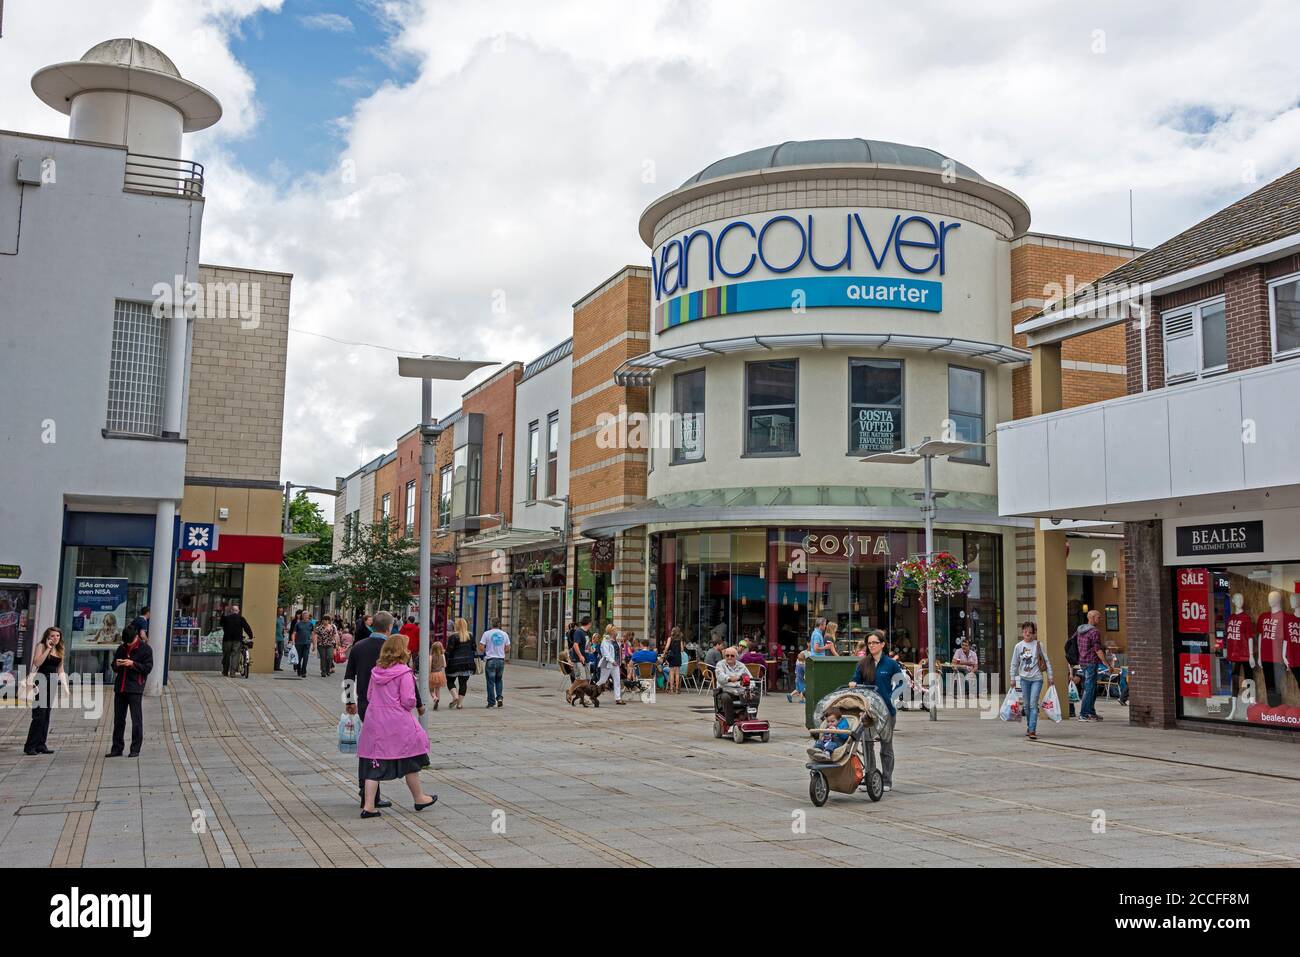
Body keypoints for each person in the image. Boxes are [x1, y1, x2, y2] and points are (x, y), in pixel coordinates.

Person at [344, 611, 424, 809]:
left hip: (366, 705)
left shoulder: (358, 647)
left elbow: (348, 676)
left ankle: (368, 792)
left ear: (372, 626)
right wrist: (420, 704)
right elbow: (409, 684)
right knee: (395, 747)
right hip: (392, 709)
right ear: (389, 628)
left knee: (370, 748)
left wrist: (348, 701)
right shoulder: (392, 650)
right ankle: (382, 794)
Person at [356, 633, 436, 819]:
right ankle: (419, 797)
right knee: (410, 759)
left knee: (373, 763)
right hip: (398, 722)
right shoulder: (404, 672)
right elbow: (408, 700)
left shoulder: (376, 672)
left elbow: (368, 696)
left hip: (375, 720)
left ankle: (369, 806)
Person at [848, 629, 903, 792]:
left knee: (886, 746)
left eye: (875, 643)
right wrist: (853, 683)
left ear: (883, 645)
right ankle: (871, 777)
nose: (871, 646)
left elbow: (901, 683)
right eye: (869, 643)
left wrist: (893, 697)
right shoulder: (863, 663)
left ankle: (886, 780)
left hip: (887, 711)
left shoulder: (891, 664)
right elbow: (855, 680)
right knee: (867, 744)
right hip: (868, 711)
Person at [106, 618, 153, 758]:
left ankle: (135, 748)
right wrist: (117, 664)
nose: (128, 644)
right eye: (126, 642)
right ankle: (117, 748)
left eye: (130, 642)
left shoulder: (145, 649)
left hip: (135, 688)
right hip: (120, 688)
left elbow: (148, 668)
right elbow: (113, 666)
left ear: (137, 636)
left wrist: (132, 664)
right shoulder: (121, 648)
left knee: (136, 719)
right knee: (118, 720)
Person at [24, 626, 67, 755]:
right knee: (39, 714)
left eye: (58, 636)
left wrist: (65, 685)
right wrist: (48, 648)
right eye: (53, 636)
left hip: (52, 682)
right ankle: (30, 746)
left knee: (47, 713)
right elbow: (37, 663)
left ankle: (41, 744)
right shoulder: (41, 646)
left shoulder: (60, 649)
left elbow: (60, 669)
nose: (56, 638)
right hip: (41, 681)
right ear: (47, 637)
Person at [1010, 621, 1053, 742]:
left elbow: (1047, 661)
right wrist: (1012, 678)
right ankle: (1029, 726)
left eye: (1030, 631)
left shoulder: (1038, 645)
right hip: (1024, 679)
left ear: (1034, 633)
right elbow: (1014, 664)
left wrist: (1050, 677)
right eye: (1025, 631)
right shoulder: (1018, 646)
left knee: (1033, 704)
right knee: (1027, 705)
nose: (1027, 633)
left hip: (1037, 679)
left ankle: (1033, 730)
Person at [1074, 609, 1109, 722]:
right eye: (1098, 617)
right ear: (1092, 618)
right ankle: (1084, 714)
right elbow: (1098, 650)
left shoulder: (1080, 630)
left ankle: (1091, 712)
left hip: (1083, 661)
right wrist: (1107, 664)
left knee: (1091, 688)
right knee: (1089, 689)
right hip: (1091, 663)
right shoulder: (1094, 632)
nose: (1100, 619)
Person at [444, 617, 476, 709]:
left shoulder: (453, 637)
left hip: (454, 664)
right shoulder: (470, 635)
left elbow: (448, 650)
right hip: (467, 663)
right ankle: (459, 704)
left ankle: (455, 696)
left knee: (450, 681)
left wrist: (445, 660)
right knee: (463, 683)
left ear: (456, 626)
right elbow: (474, 648)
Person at [714, 647, 749, 726]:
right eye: (727, 655)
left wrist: (751, 686)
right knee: (726, 698)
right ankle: (730, 723)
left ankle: (746, 717)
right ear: (724, 656)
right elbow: (720, 677)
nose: (729, 657)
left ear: (736, 657)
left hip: (740, 690)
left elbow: (750, 677)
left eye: (732, 656)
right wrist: (729, 679)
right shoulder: (720, 664)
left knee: (753, 696)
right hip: (725, 690)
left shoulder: (742, 666)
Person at [479, 619, 510, 708]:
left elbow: (481, 647)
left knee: (490, 681)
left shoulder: (486, 634)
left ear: (491, 624)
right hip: (500, 660)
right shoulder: (504, 634)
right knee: (499, 680)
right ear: (499, 625)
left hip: (491, 660)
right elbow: (508, 648)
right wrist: (501, 651)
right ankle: (499, 697)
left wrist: (488, 651)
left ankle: (491, 702)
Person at [220, 603, 254, 677]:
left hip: (227, 640)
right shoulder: (241, 618)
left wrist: (223, 615)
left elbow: (221, 623)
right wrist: (251, 636)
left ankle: (225, 672)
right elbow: (247, 628)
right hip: (237, 640)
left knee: (226, 655)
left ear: (231, 611)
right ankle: (232, 673)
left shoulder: (227, 618)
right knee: (235, 656)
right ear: (238, 611)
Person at [598, 625, 625, 705]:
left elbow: (618, 651)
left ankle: (618, 698)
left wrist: (620, 660)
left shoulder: (616, 640)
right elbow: (606, 653)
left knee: (617, 681)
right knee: (602, 681)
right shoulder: (605, 640)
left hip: (616, 663)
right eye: (615, 630)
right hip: (608, 663)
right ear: (611, 631)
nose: (617, 631)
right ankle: (592, 693)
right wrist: (612, 661)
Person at [662, 625, 685, 694]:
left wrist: (664, 652)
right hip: (678, 657)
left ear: (673, 632)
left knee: (671, 673)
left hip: (672, 657)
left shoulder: (670, 638)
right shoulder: (680, 639)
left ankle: (671, 689)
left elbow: (667, 647)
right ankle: (677, 689)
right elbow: (682, 649)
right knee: (677, 673)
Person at [427, 634, 447, 710]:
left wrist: (428, 674)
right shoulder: (442, 655)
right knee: (438, 689)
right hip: (440, 674)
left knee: (431, 689)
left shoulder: (431, 656)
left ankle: (435, 698)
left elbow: (429, 665)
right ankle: (437, 700)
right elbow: (444, 665)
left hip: (433, 673)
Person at [291, 611, 313, 678]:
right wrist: (293, 641)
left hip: (307, 643)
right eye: (305, 616)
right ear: (302, 616)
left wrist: (314, 644)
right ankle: (299, 670)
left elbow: (313, 634)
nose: (306, 617)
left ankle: (304, 672)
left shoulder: (310, 624)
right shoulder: (298, 624)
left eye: (307, 616)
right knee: (299, 658)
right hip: (299, 643)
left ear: (308, 617)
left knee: (305, 658)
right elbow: (294, 633)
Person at [570, 616, 591, 681]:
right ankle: (572, 691)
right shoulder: (578, 632)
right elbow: (575, 645)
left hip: (586, 658)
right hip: (578, 659)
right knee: (581, 678)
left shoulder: (587, 632)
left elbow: (586, 644)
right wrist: (580, 656)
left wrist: (590, 648)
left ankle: (583, 691)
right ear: (589, 623)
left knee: (588, 678)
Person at [273, 607, 287, 671]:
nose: (280, 612)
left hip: (281, 637)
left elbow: (283, 626)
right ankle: (273, 665)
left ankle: (277, 666)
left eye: (281, 611)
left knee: (281, 652)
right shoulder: (274, 618)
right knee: (275, 652)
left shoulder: (282, 618)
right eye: (279, 611)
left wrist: (284, 630)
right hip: (275, 637)